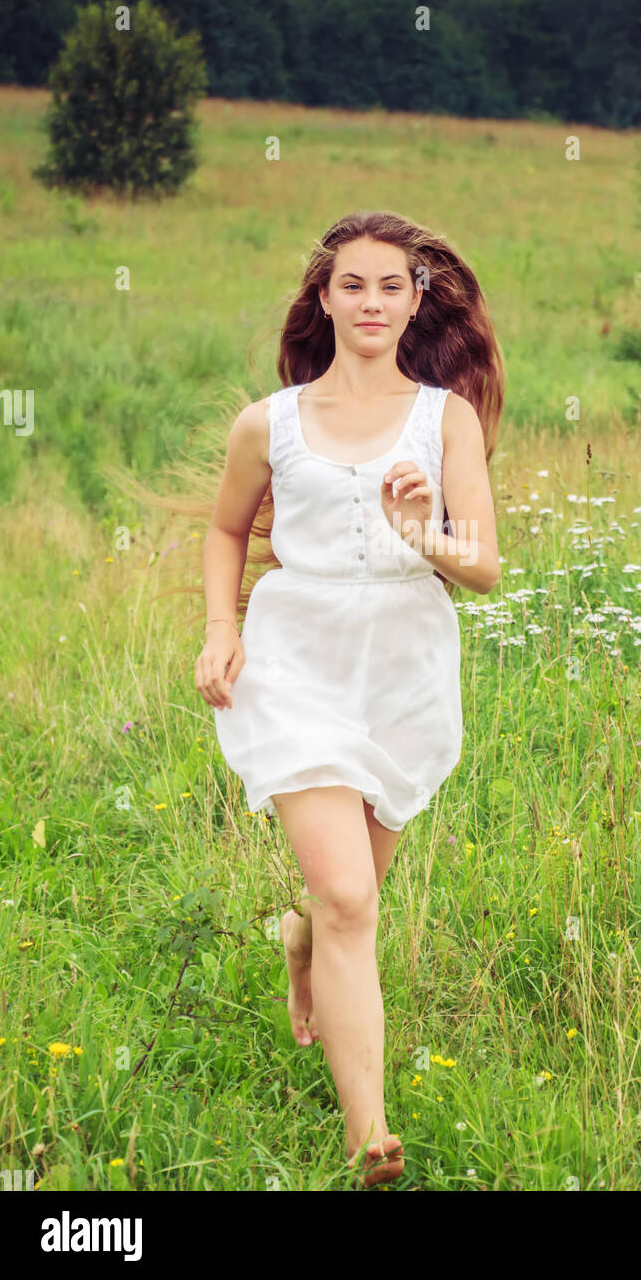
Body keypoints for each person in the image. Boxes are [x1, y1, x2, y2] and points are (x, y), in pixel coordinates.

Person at [195, 209, 504, 1188]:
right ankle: (366, 1133)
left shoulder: (443, 417)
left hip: (403, 670)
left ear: (415, 299)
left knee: (341, 902)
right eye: (351, 285)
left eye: (389, 286)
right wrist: (220, 629)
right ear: (323, 298)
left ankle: (299, 940)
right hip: (296, 662)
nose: (370, 302)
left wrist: (422, 538)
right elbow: (224, 530)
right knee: (347, 896)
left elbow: (485, 566)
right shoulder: (269, 422)